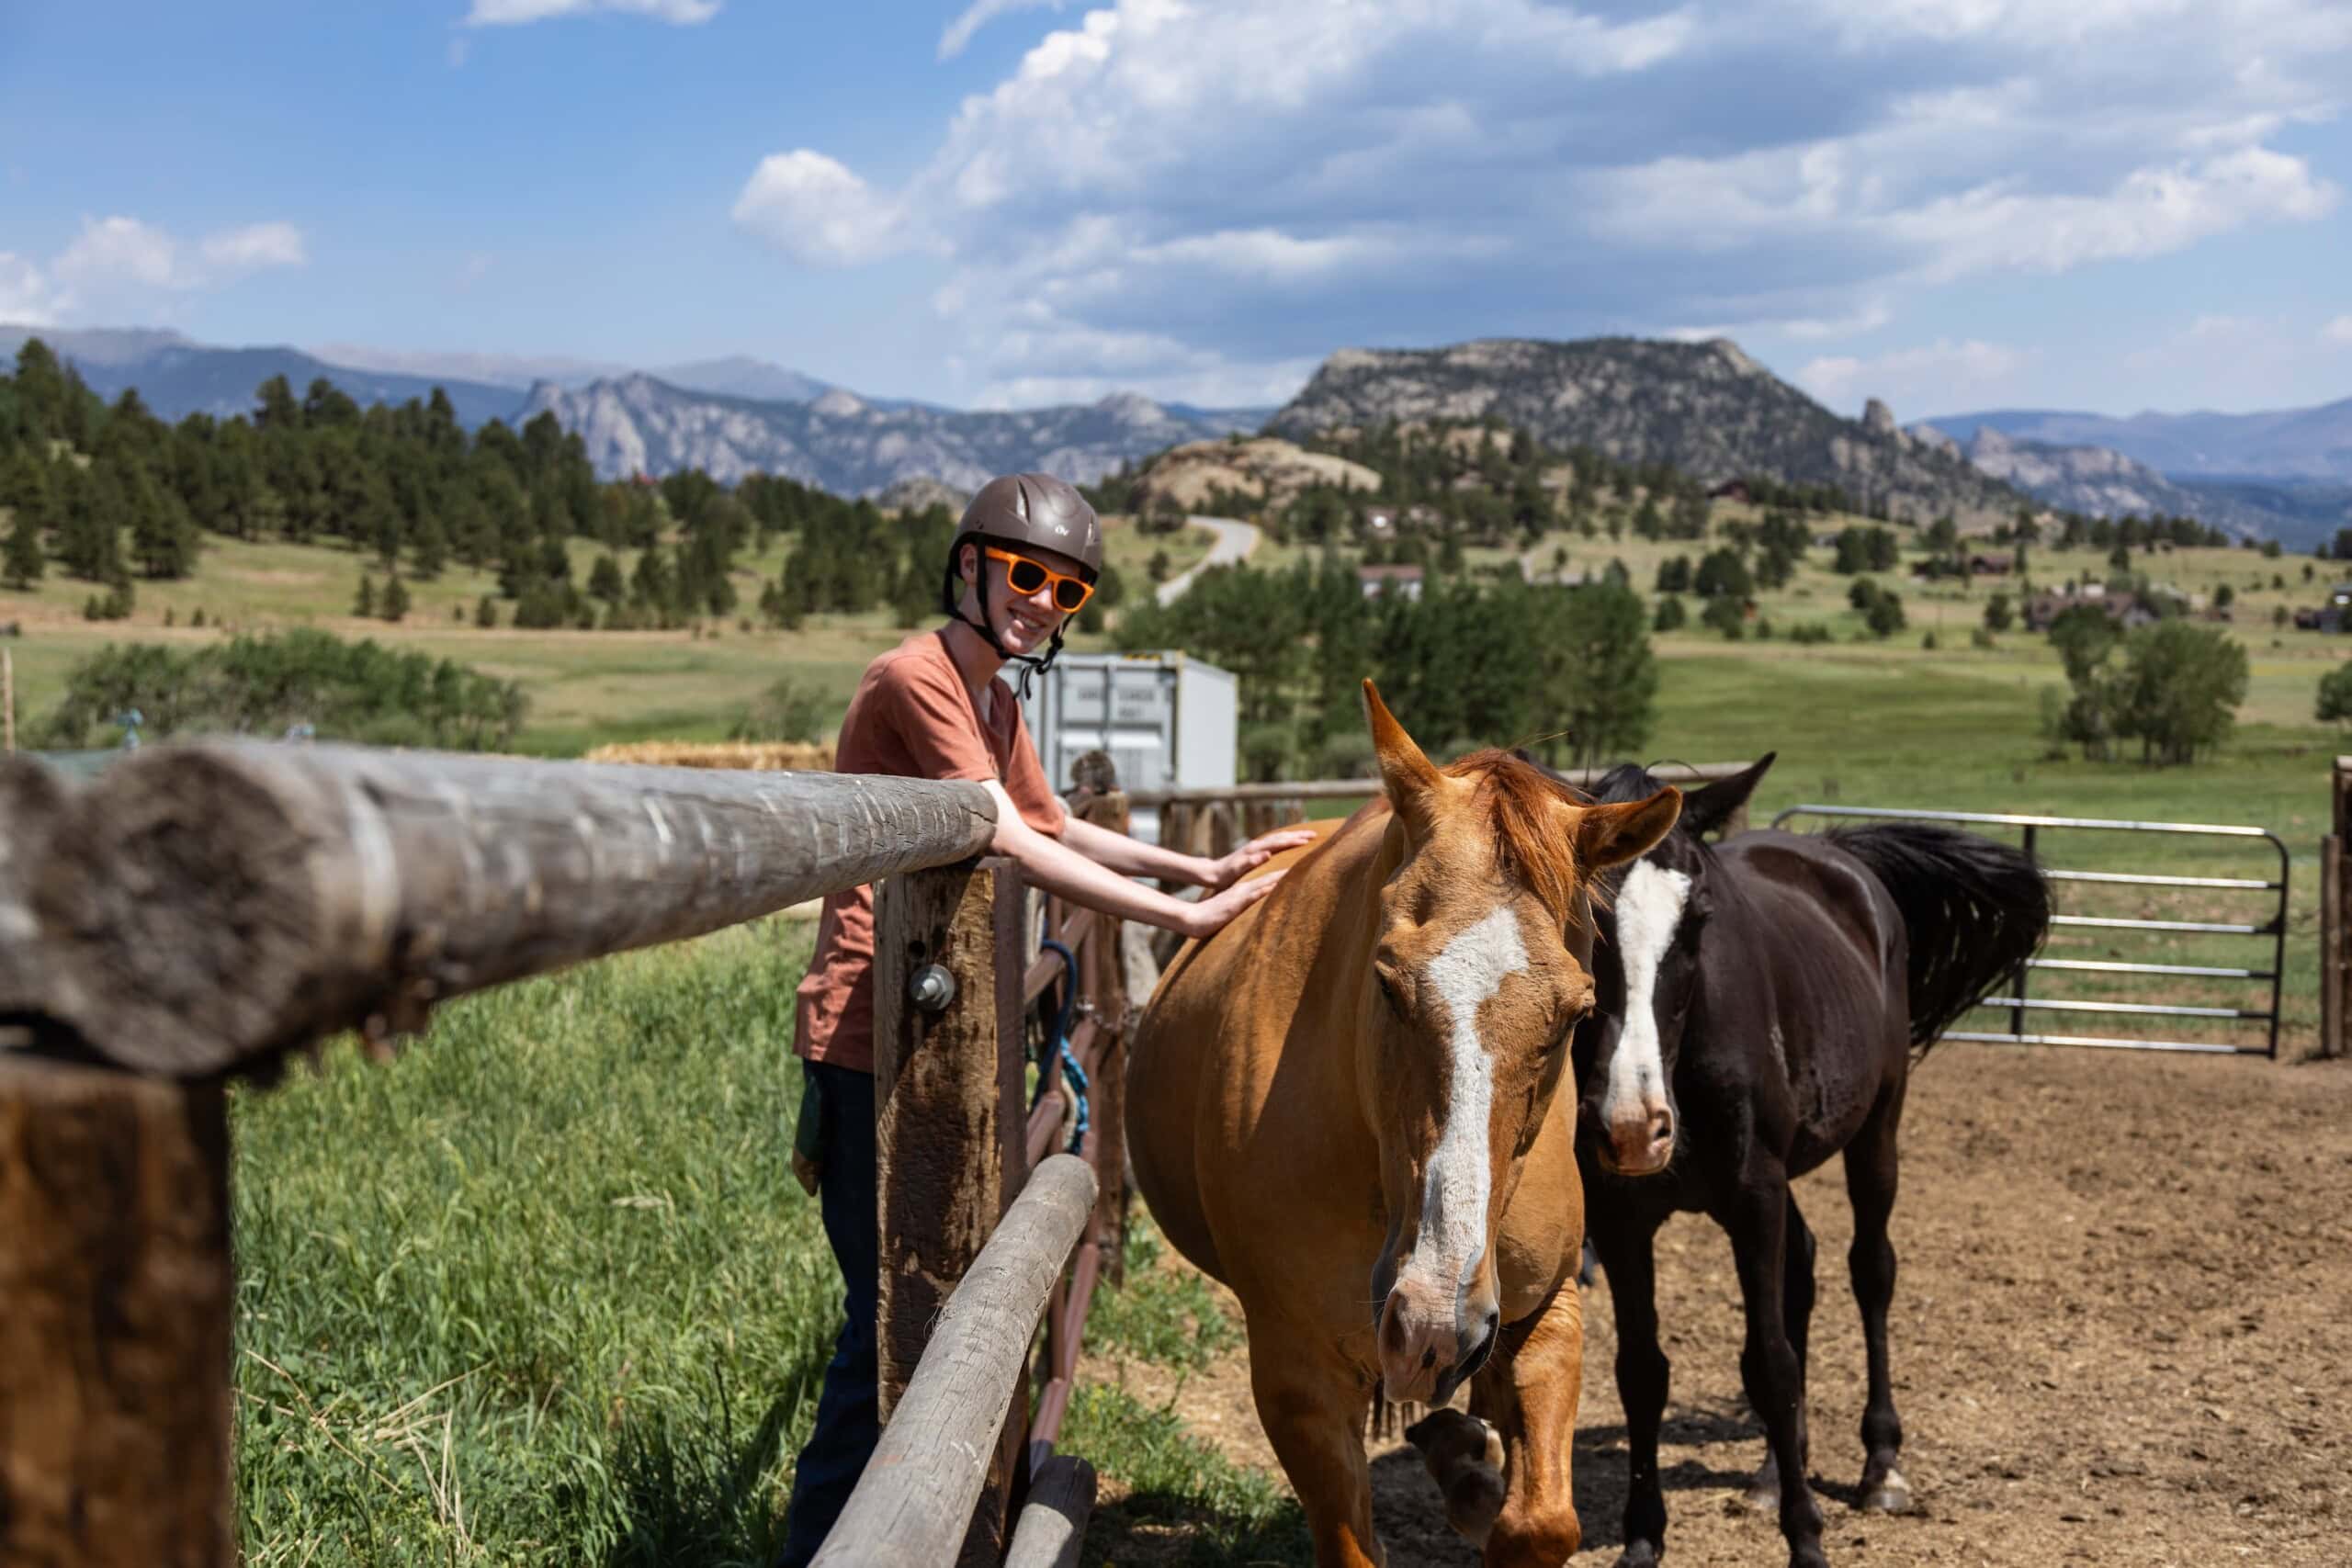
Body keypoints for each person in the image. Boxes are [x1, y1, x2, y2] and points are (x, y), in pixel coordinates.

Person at [775, 472, 1313, 1566]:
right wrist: (1180, 914)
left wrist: (1196, 861)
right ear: (968, 565)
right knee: (882, 1324)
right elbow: (1010, 839)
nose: (1043, 603)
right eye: (1026, 574)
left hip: (925, 1032)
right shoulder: (918, 682)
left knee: (915, 1310)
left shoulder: (996, 700)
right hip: (867, 1035)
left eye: (1068, 591)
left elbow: (1055, 820)